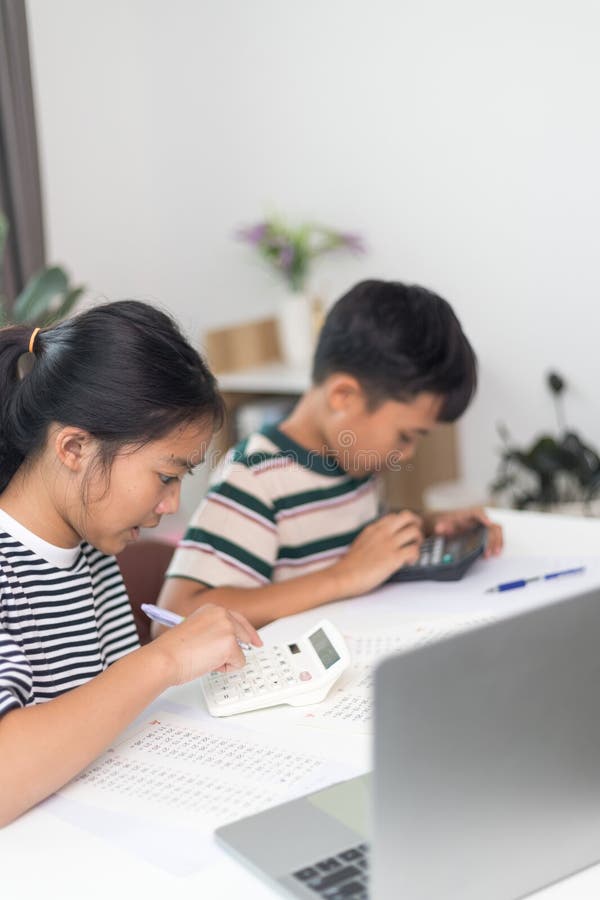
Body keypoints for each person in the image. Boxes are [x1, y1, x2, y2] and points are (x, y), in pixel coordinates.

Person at [0, 300, 261, 826]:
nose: (171, 506)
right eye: (166, 476)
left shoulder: (93, 549)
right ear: (74, 447)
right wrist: (163, 661)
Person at [158, 280, 503, 629]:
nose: (407, 453)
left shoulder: (353, 462)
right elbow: (175, 616)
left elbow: (346, 538)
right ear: (343, 397)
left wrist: (426, 525)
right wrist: (344, 576)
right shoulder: (253, 477)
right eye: (405, 436)